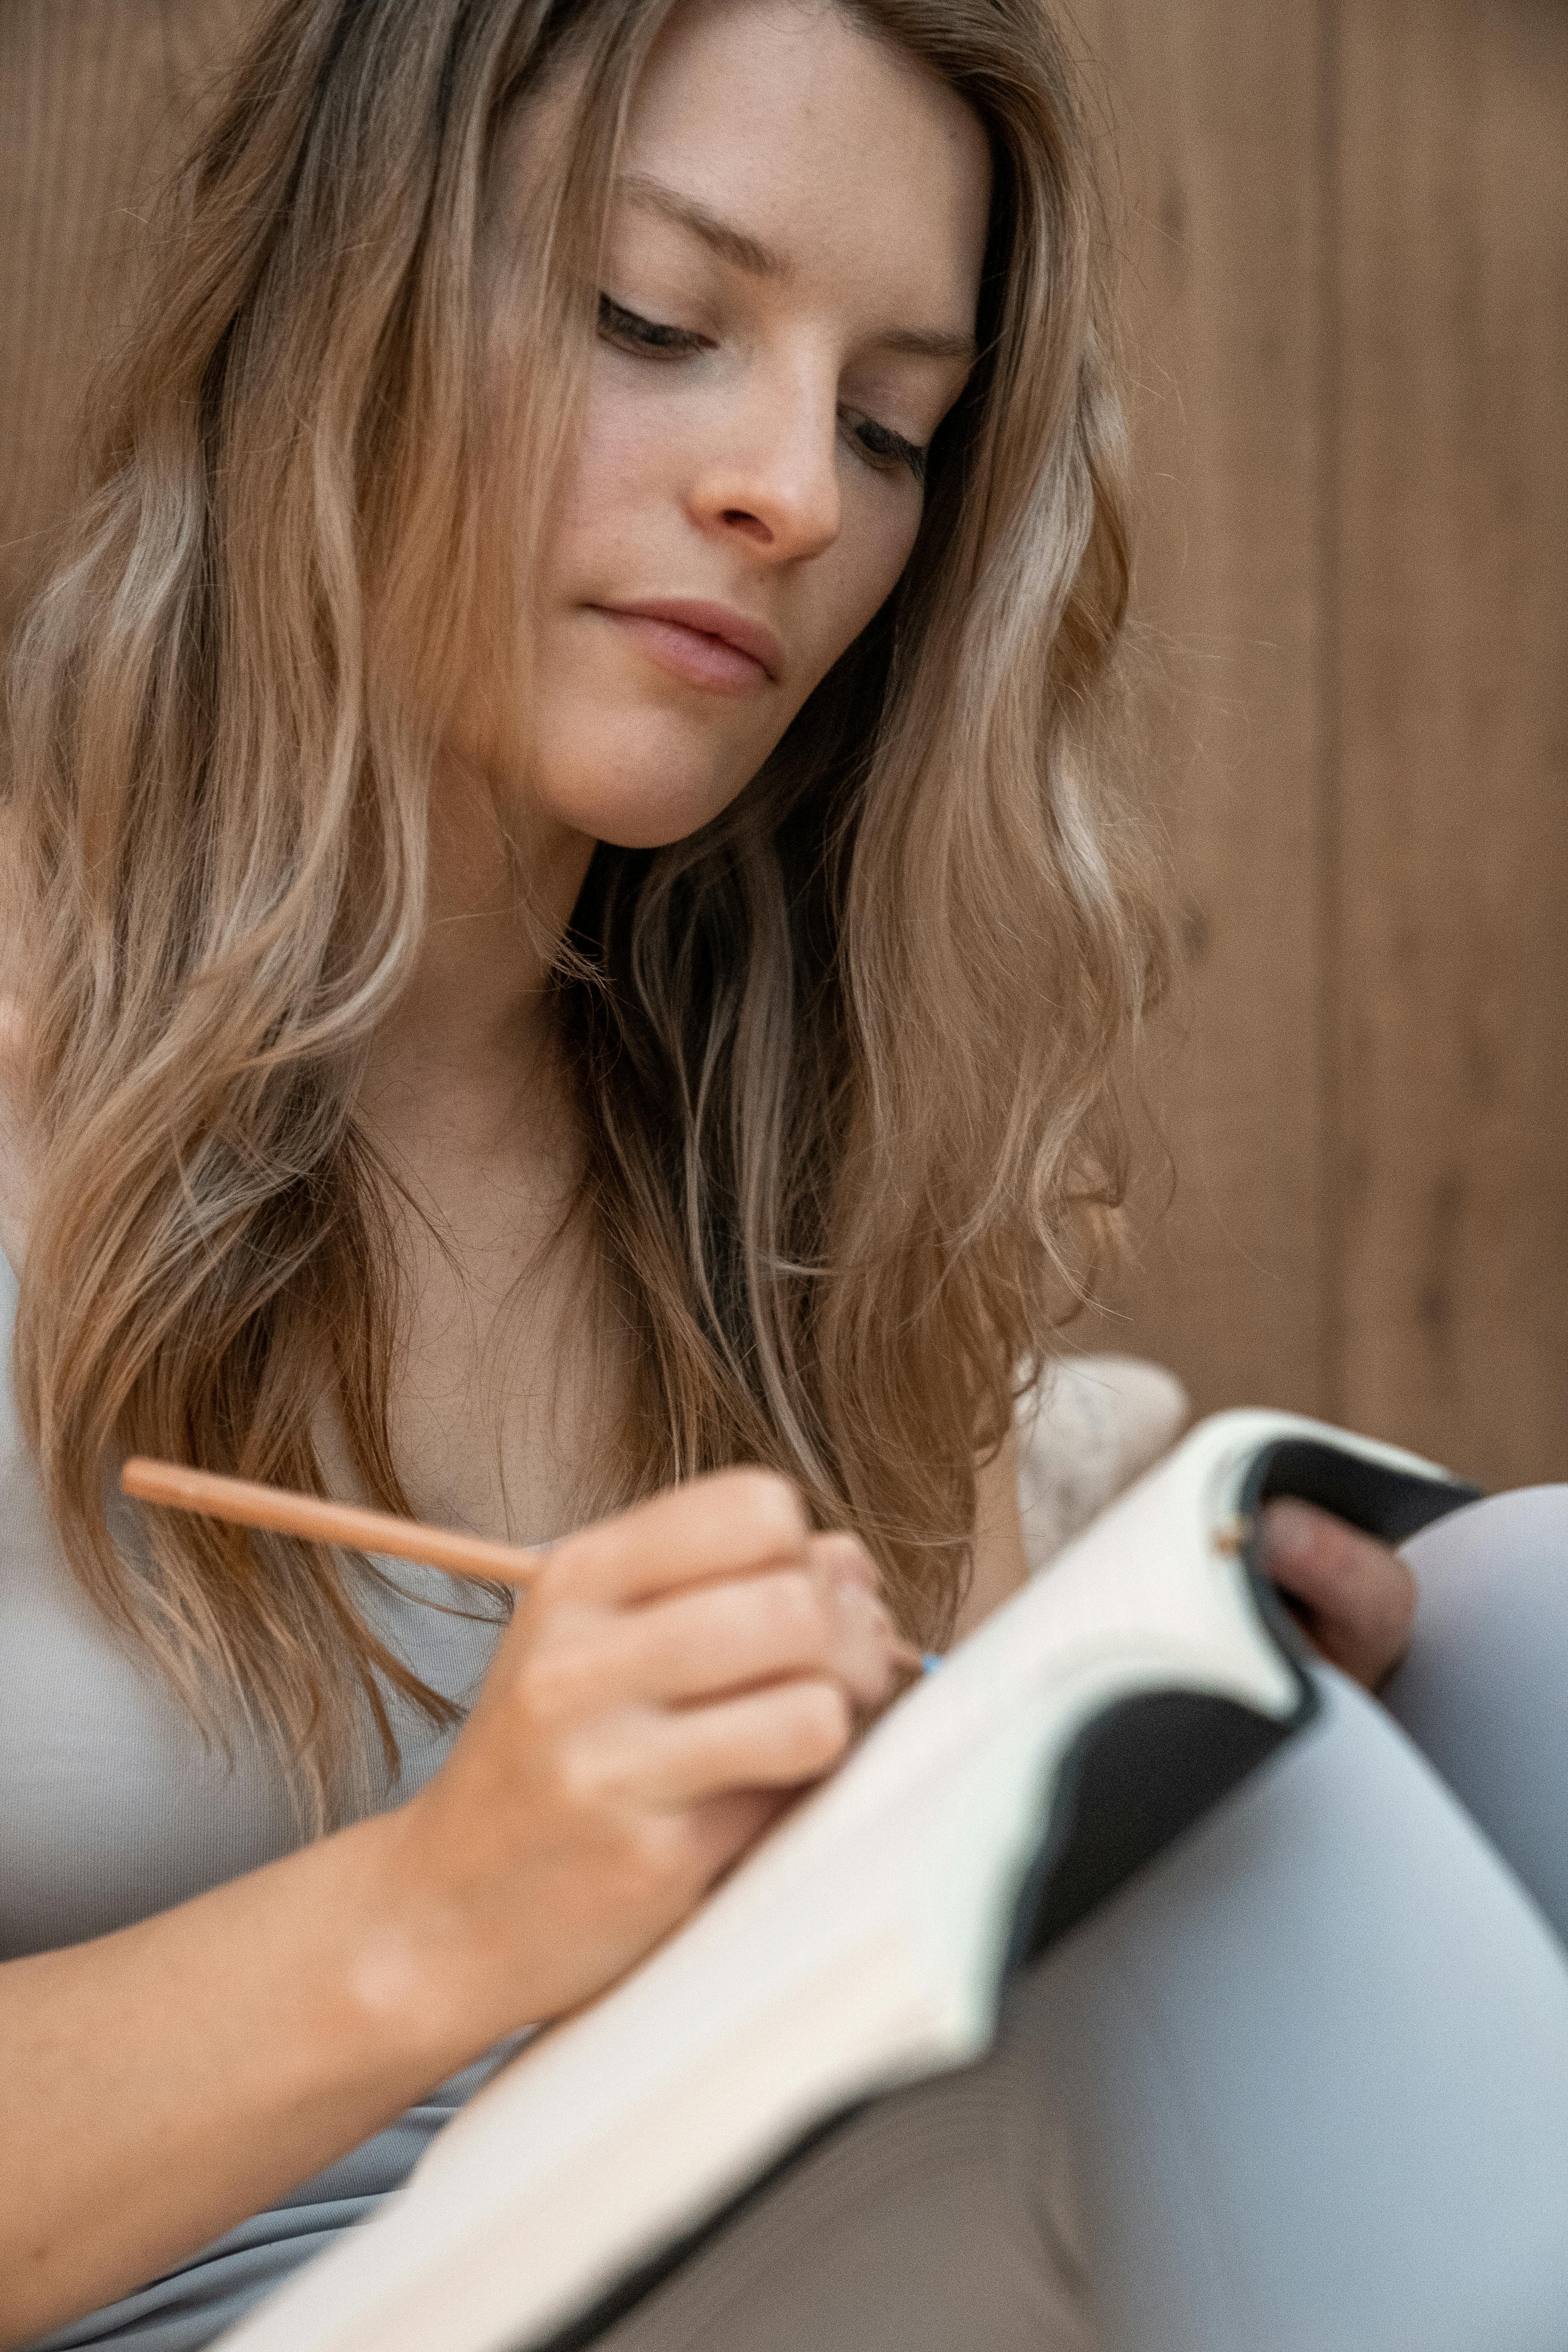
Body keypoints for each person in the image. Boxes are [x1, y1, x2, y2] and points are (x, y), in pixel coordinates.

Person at [0, 0, 1563, 2347]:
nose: (796, 497)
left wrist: (1165, 1767)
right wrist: (437, 1915)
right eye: (656, 319)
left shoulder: (833, 1175)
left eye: (890, 423)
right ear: (340, 288)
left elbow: (915, 2013)